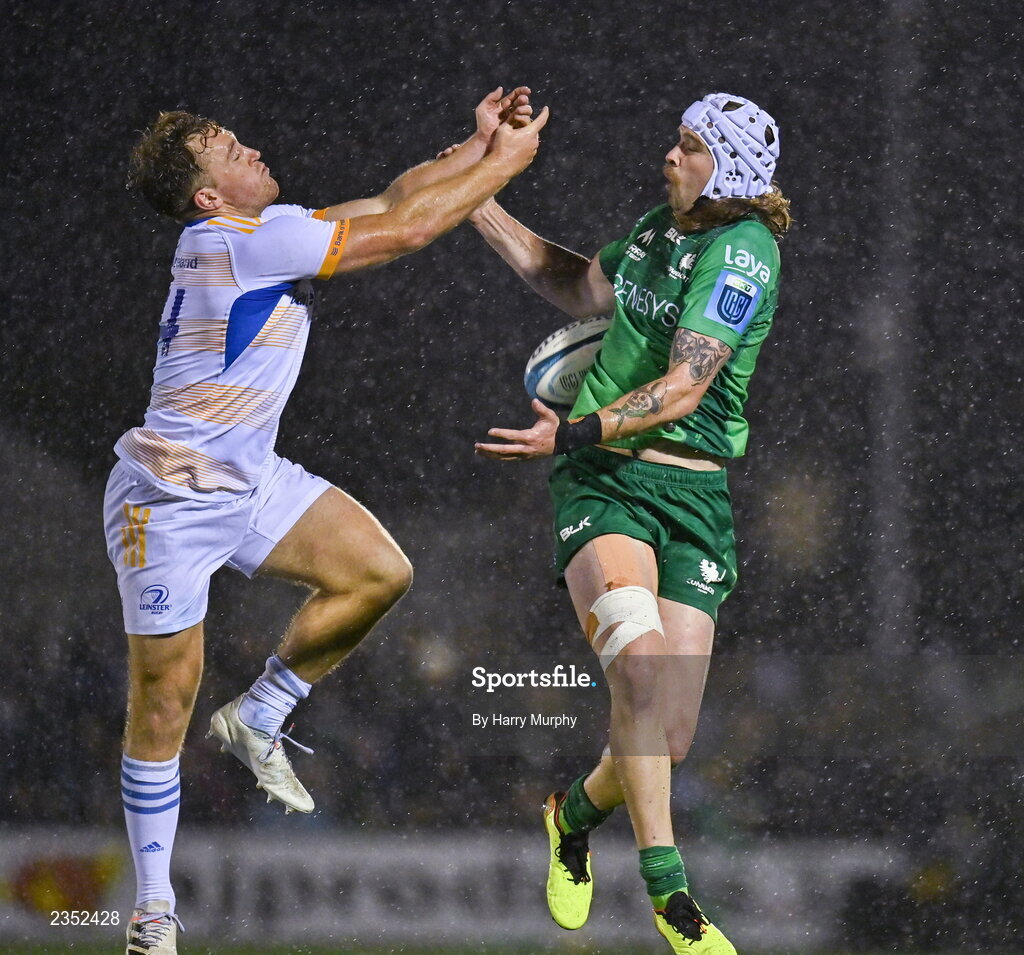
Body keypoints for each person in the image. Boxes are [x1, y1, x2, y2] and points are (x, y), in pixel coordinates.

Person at [107, 88, 547, 955]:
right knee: (164, 699)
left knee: (379, 571)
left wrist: (474, 143)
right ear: (208, 195)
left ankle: (261, 713)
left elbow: (391, 201)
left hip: (248, 480)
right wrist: (507, 165)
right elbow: (409, 231)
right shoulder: (241, 242)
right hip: (169, 500)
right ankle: (154, 910)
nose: (253, 150)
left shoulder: (254, 233)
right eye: (232, 150)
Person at [471, 92, 791, 953]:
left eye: (689, 147)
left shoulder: (743, 253)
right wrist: (476, 196)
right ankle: (671, 897)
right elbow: (576, 284)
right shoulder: (661, 228)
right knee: (641, 685)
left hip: (694, 499)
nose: (670, 156)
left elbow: (687, 386)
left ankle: (569, 818)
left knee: (668, 735)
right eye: (677, 140)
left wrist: (573, 421)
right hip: (604, 483)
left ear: (727, 167)